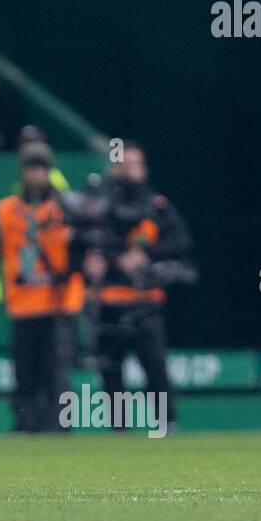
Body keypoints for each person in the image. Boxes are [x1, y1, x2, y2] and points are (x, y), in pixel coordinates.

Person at [0, 140, 84, 433]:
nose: (36, 175)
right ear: (22, 171)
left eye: (41, 168)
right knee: (25, 372)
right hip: (23, 304)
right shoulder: (7, 209)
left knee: (57, 372)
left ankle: (59, 427)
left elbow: (84, 249)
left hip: (58, 302)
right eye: (31, 168)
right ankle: (25, 425)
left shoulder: (66, 207)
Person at [81, 142, 192, 430]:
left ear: (143, 169)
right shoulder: (97, 207)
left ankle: (166, 424)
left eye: (134, 165)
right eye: (122, 165)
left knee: (154, 366)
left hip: (144, 301)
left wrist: (144, 254)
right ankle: (119, 431)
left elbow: (181, 241)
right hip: (106, 301)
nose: (127, 171)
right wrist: (89, 261)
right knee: (110, 370)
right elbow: (76, 241)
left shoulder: (156, 206)